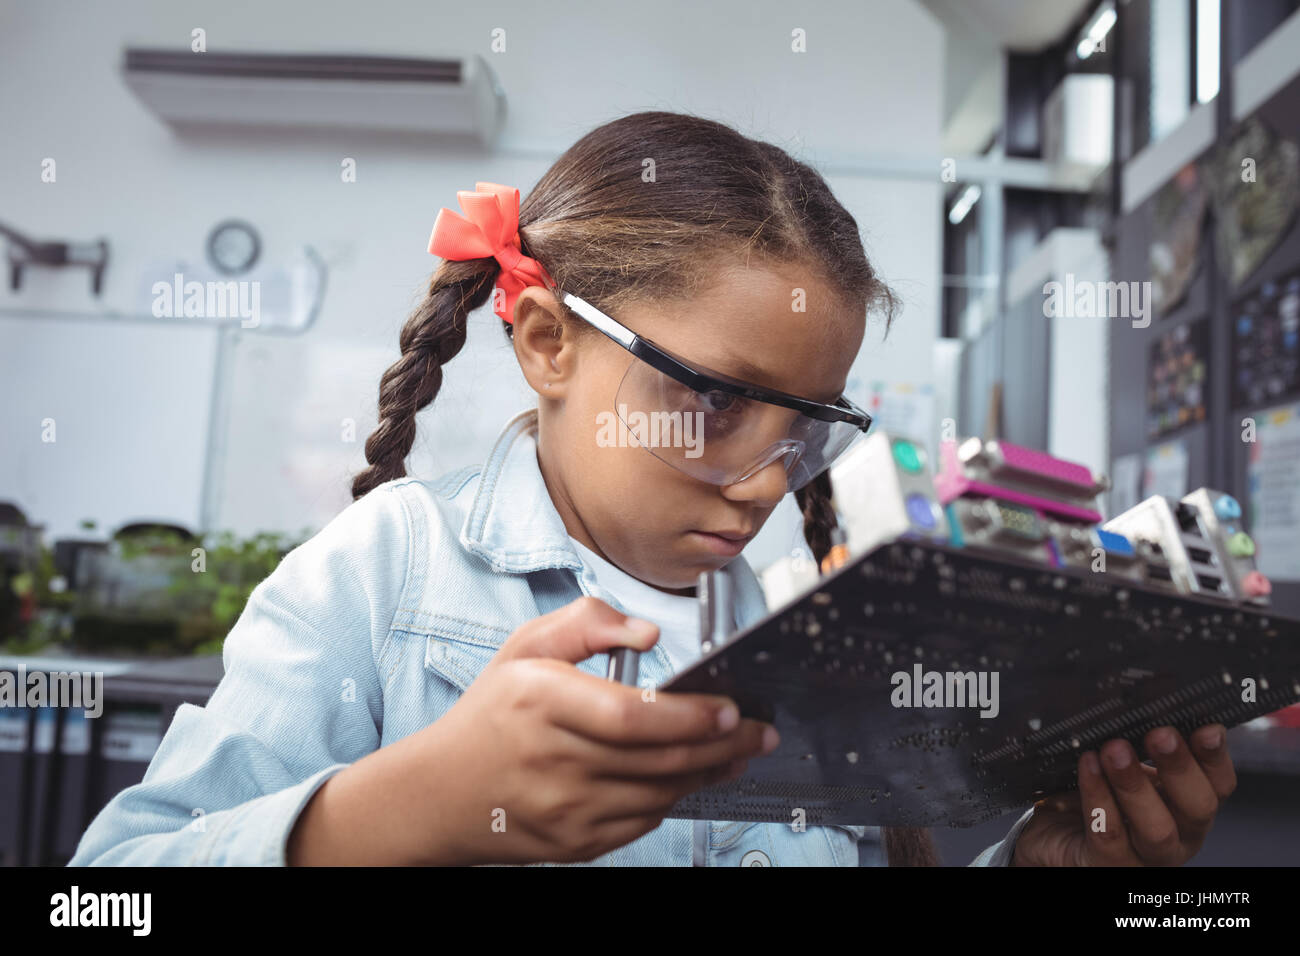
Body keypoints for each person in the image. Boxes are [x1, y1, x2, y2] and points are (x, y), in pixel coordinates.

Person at [69, 111, 1235, 867]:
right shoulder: (387, 571)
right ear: (543, 340)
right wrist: (402, 808)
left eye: (806, 430)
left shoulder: (835, 623)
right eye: (715, 402)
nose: (763, 483)